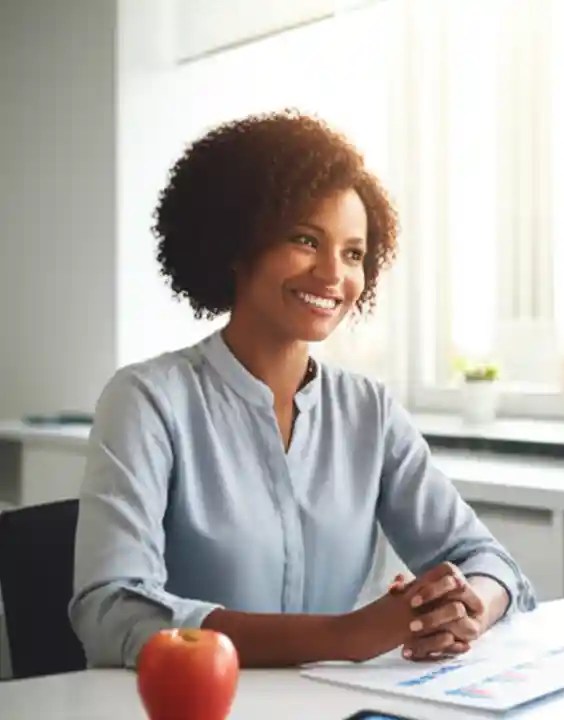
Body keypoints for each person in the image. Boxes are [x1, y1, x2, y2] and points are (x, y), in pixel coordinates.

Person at [70, 110, 535, 669]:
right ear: (237, 243)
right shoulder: (147, 400)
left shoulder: (370, 411)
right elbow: (113, 612)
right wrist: (344, 636)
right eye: (305, 240)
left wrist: (466, 609)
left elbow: (486, 560)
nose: (333, 275)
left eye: (354, 254)